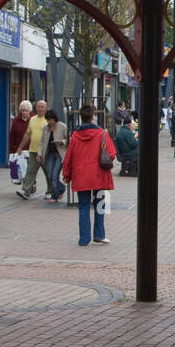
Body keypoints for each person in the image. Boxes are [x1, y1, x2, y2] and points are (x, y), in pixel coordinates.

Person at [61, 104, 115, 246]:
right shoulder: (102, 133)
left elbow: (69, 157)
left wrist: (66, 174)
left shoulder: (75, 136)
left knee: (83, 206)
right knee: (100, 205)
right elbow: (112, 154)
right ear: (93, 117)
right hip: (99, 174)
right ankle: (99, 234)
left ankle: (84, 238)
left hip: (81, 175)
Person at [15, 99, 48, 199]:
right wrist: (20, 147)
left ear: (45, 108)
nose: (40, 109)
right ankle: (25, 191)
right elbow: (28, 134)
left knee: (48, 173)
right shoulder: (32, 119)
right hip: (33, 150)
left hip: (46, 152)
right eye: (38, 107)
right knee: (30, 171)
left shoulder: (48, 119)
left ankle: (50, 191)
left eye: (42, 107)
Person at [40, 109, 68, 203]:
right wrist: (40, 154)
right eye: (47, 120)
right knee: (50, 174)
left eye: (50, 120)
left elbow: (69, 139)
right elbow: (42, 142)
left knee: (55, 175)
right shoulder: (45, 128)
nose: (49, 122)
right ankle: (61, 188)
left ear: (54, 119)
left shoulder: (62, 126)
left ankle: (54, 195)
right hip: (50, 154)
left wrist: (61, 142)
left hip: (60, 154)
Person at [9, 101, 32, 181]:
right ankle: (26, 185)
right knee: (22, 168)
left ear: (30, 111)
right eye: (22, 110)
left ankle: (32, 183)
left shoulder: (33, 119)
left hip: (31, 149)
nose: (24, 112)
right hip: (20, 149)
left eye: (26, 110)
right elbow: (12, 136)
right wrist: (11, 151)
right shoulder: (16, 121)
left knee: (30, 169)